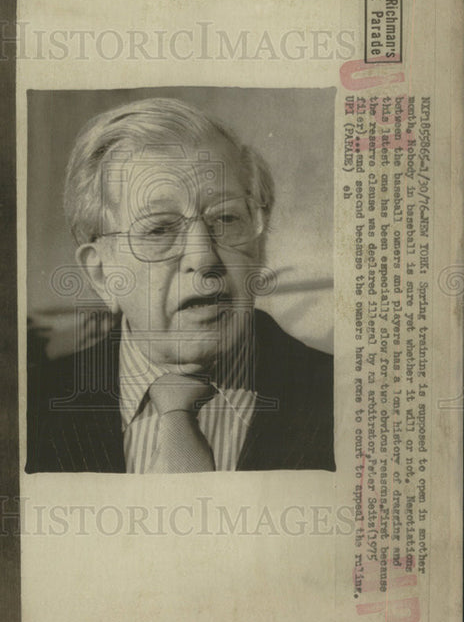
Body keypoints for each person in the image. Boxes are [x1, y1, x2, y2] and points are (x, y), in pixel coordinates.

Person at [26, 97, 334, 473]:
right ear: (103, 274)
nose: (203, 257)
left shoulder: (344, 397)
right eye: (159, 229)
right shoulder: (28, 407)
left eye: (225, 219)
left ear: (259, 245)